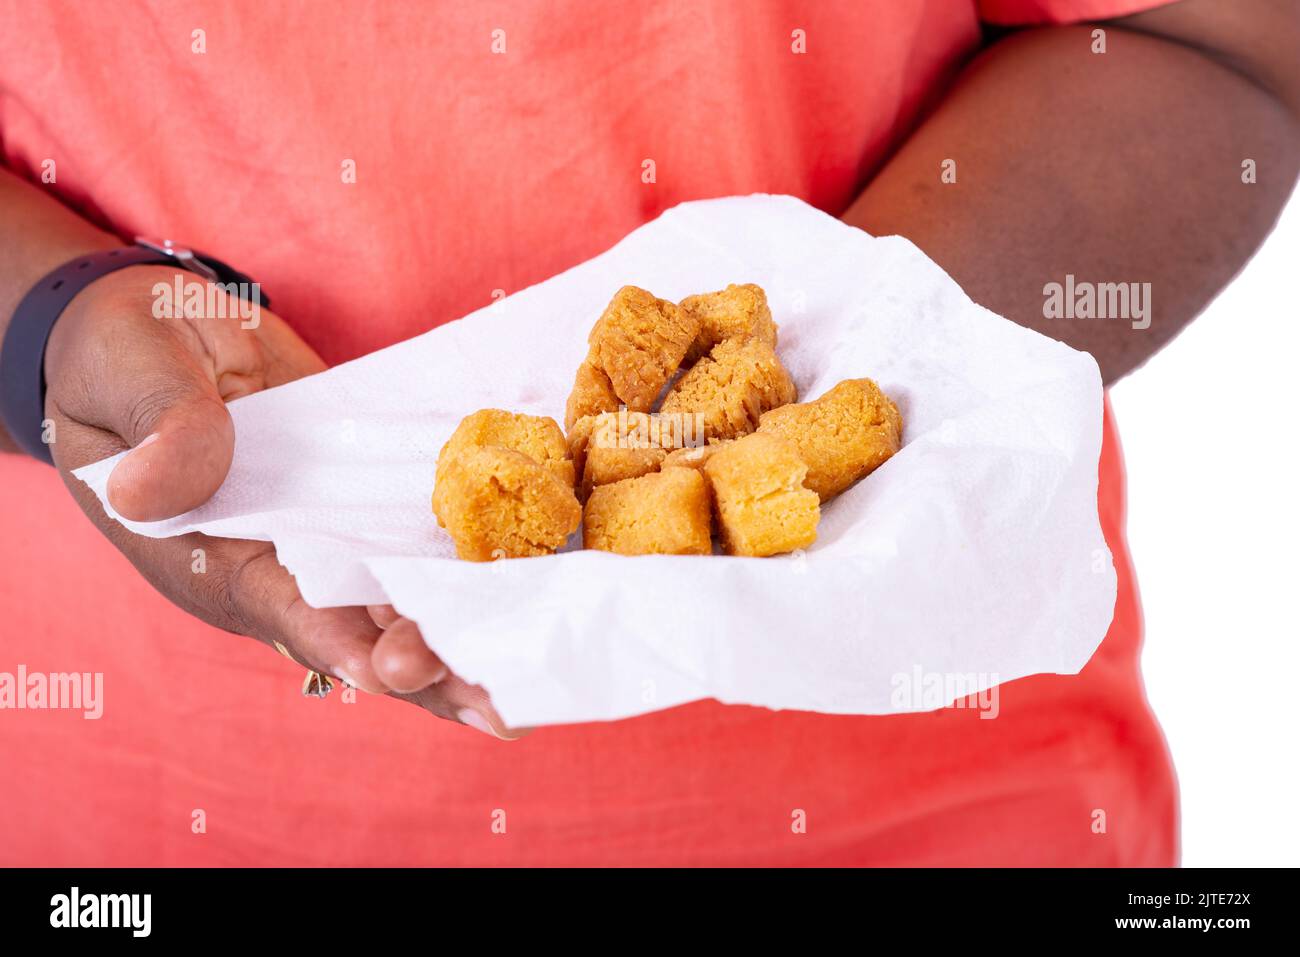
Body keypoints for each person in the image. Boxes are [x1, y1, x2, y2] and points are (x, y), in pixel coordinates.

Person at [1, 0, 1296, 866]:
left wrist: (870, 346)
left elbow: (1217, 37)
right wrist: (44, 322)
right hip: (117, 815)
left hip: (932, 811)